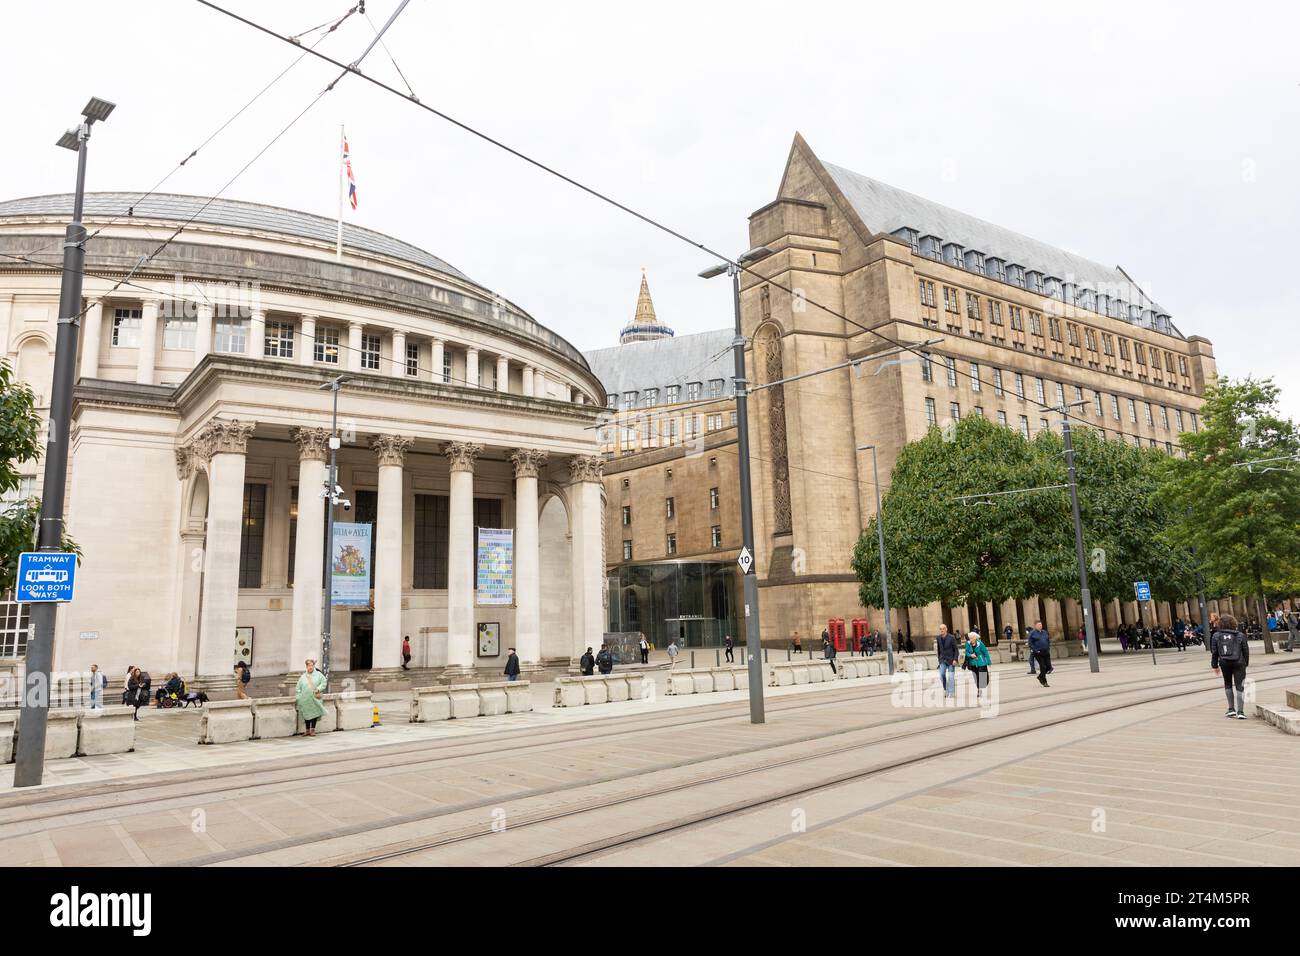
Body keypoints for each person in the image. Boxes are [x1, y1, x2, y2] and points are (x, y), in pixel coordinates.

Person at [1210, 613, 1250, 719]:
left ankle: (1231, 709)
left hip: (1224, 662)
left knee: (1227, 684)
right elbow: (1246, 651)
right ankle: (1240, 712)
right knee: (1239, 686)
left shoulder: (1216, 636)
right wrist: (1245, 663)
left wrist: (1214, 665)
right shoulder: (1240, 635)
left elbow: (1214, 652)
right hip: (1239, 662)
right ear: (1233, 623)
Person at [295, 659, 327, 736]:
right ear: (306, 666)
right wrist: (299, 697)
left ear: (314, 666)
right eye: (309, 665)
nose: (311, 667)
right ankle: (307, 730)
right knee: (306, 714)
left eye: (312, 665)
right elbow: (298, 687)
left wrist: (318, 689)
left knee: (314, 714)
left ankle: (312, 730)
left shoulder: (319, 675)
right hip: (305, 699)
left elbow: (324, 682)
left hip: (315, 698)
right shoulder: (303, 677)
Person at [963, 630, 991, 699]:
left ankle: (982, 685)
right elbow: (966, 652)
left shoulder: (980, 643)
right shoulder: (968, 644)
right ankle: (979, 690)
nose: (971, 639)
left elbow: (985, 652)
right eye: (970, 638)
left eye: (972, 638)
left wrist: (988, 661)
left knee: (983, 677)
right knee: (976, 677)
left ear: (975, 638)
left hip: (981, 662)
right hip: (972, 663)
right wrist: (970, 655)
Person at [935, 624, 958, 699]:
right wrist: (939, 659)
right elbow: (938, 649)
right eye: (940, 629)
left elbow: (956, 650)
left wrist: (955, 659)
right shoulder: (938, 638)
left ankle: (951, 692)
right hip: (942, 660)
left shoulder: (951, 637)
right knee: (941, 675)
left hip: (951, 660)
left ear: (946, 629)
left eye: (943, 628)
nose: (942, 630)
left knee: (951, 676)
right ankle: (946, 689)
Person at [1028, 620, 1053, 688]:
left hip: (1046, 652)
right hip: (1038, 653)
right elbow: (1030, 643)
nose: (1040, 626)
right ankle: (1044, 682)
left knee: (1049, 667)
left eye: (1041, 625)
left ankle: (1040, 676)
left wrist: (1048, 648)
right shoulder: (1032, 633)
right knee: (1043, 667)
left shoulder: (1044, 632)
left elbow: (1048, 640)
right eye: (1039, 625)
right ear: (1035, 626)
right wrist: (1035, 650)